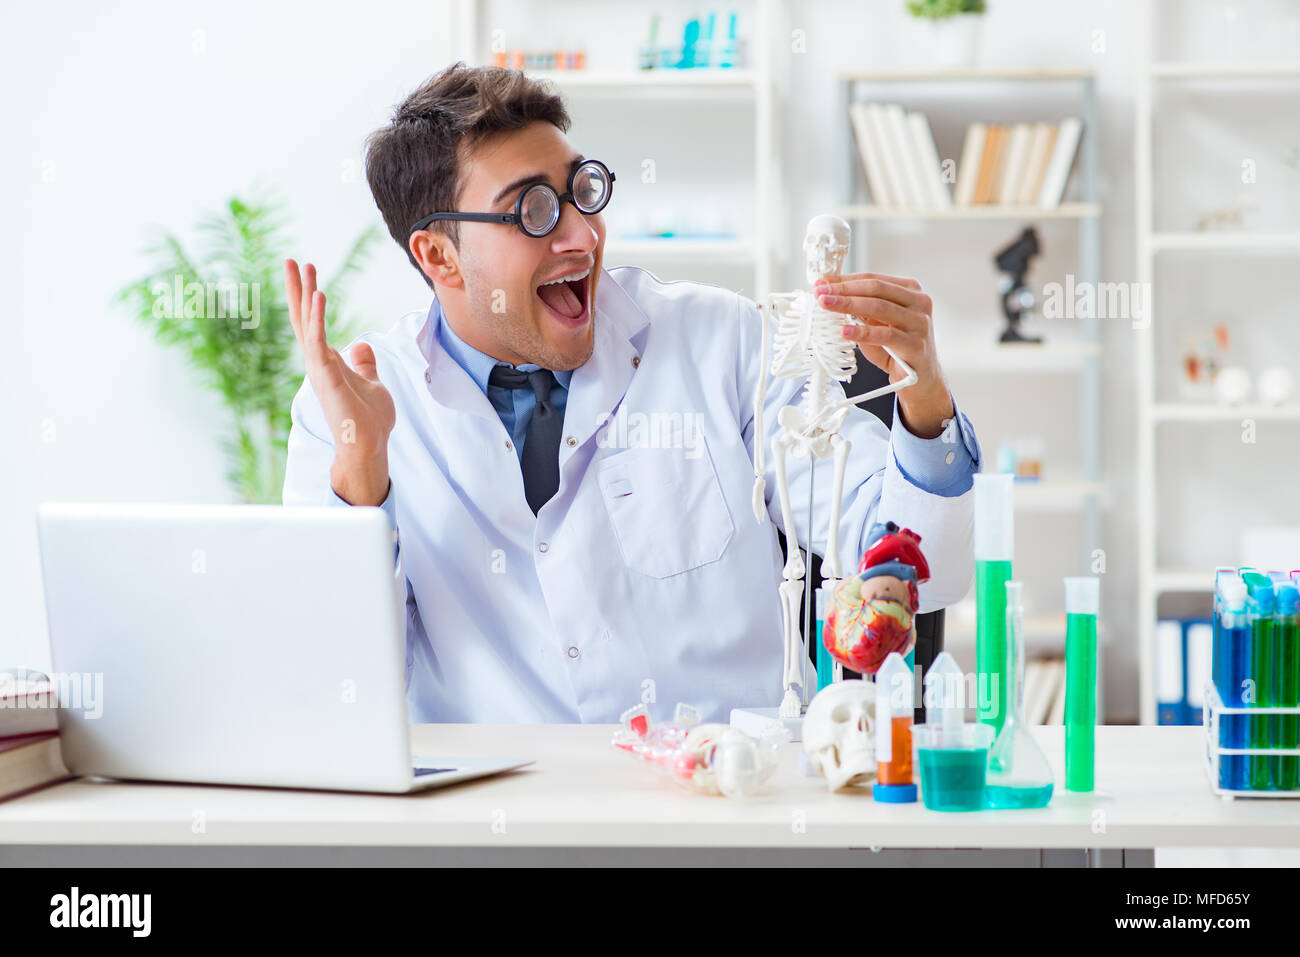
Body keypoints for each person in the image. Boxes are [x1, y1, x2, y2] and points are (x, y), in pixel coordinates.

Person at [282, 63, 981, 723]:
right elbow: (337, 683)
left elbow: (926, 570)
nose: (583, 235)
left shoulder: (724, 342)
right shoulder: (349, 413)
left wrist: (924, 404)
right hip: (494, 828)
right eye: (531, 210)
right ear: (438, 255)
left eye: (581, 191)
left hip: (726, 809)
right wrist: (363, 479)